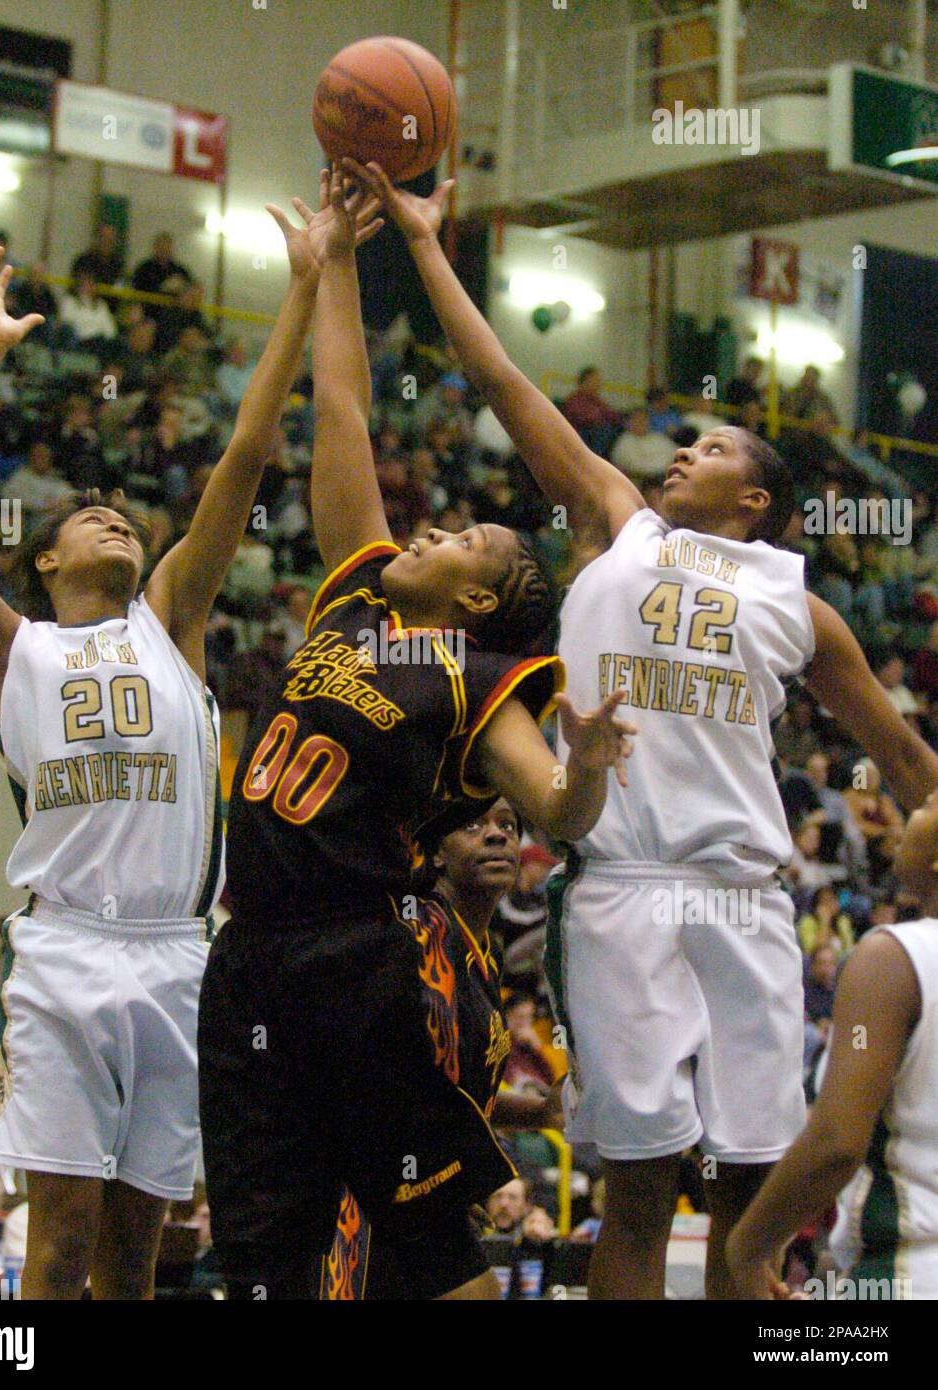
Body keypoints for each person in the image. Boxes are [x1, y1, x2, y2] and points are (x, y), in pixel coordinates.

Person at [348, 154, 938, 1300]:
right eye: (685, 440)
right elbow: (503, 380)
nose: (682, 450)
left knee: (751, 1189)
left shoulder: (796, 601)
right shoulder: (615, 523)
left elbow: (906, 760)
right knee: (636, 1180)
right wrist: (425, 246)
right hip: (620, 880)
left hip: (744, 892)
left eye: (712, 448)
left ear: (755, 500)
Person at [198, 168, 636, 1303]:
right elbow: (339, 407)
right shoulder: (353, 604)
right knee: (259, 1260)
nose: (426, 526)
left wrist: (585, 763)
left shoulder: (477, 677)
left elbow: (552, 810)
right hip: (248, 956)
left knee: (431, 1254)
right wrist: (336, 258)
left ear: (480, 600)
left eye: (458, 537)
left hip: (360, 957)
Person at [0, 207, 360, 1300]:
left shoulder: (170, 619)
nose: (115, 519)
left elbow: (246, 457)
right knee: (59, 1242)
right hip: (65, 955)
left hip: (175, 956)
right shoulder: (15, 648)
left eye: (123, 513)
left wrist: (303, 284)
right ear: (45, 556)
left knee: (141, 1247)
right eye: (89, 516)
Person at [322, 798, 564, 1299]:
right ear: (433, 853)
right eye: (474, 824)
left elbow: (456, 1085)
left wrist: (541, 1112)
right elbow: (383, 1078)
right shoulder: (419, 933)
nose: (497, 835)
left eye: (508, 825)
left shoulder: (481, 950)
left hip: (417, 1184)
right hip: (361, 1188)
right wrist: (440, 1178)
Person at [727, 785, 938, 1298]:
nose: (918, 804)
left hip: (908, 1274)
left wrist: (746, 1248)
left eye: (932, 805)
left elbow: (837, 1143)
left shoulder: (892, 957)